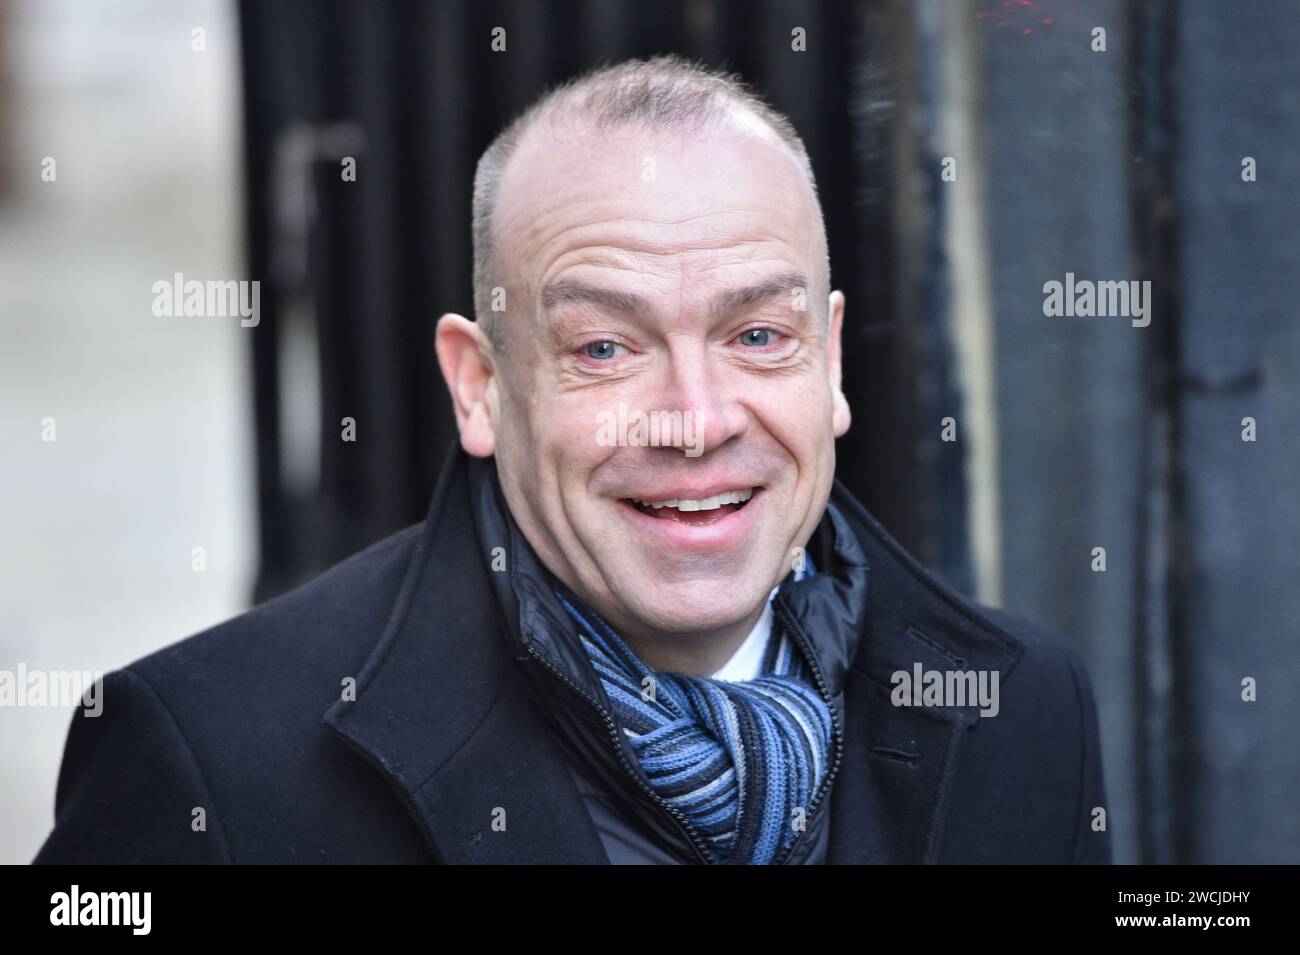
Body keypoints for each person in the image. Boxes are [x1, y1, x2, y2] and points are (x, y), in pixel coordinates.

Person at [34, 55, 1110, 865]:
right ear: (481, 386)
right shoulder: (208, 768)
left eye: (756, 336)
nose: (694, 421)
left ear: (828, 358)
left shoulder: (1025, 714)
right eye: (605, 347)